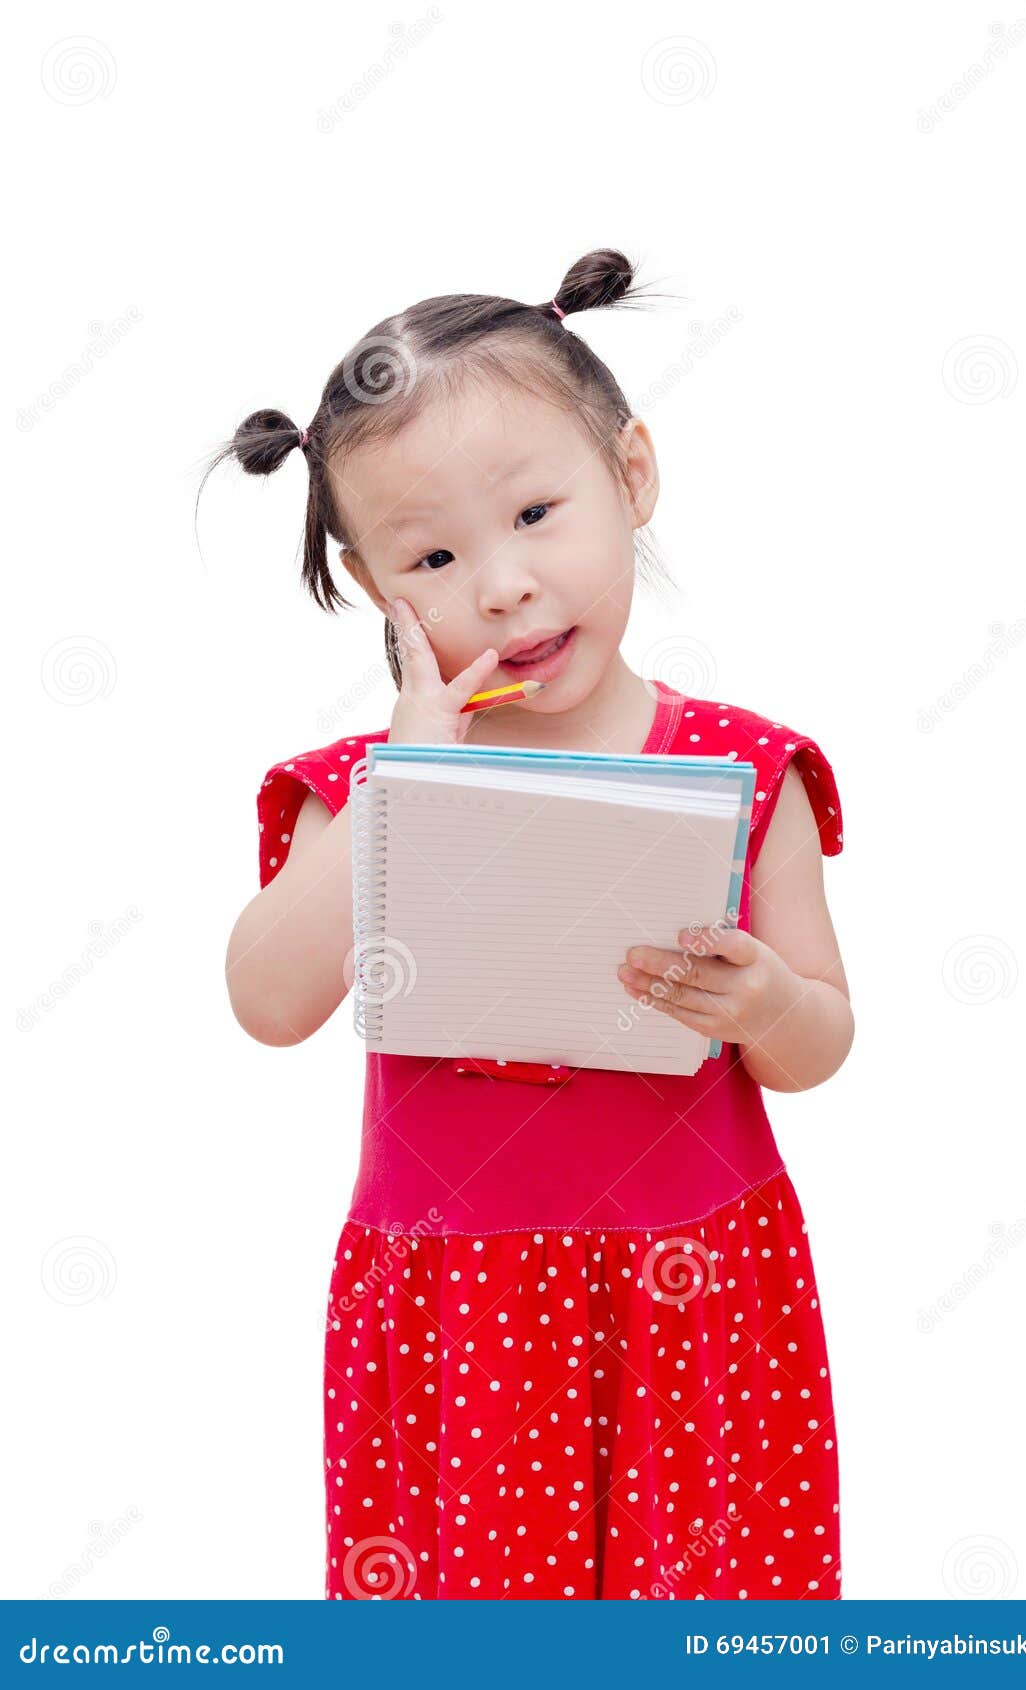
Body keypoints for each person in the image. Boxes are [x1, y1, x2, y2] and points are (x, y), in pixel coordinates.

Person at [210, 247, 854, 1600]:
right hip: (462, 1325)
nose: (500, 584)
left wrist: (765, 1008)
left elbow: (818, 1037)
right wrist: (408, 765)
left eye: (538, 513)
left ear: (632, 477)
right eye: (434, 555)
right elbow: (267, 1001)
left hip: (697, 1299)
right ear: (371, 589)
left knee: (711, 1622)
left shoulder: (746, 767)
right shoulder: (363, 785)